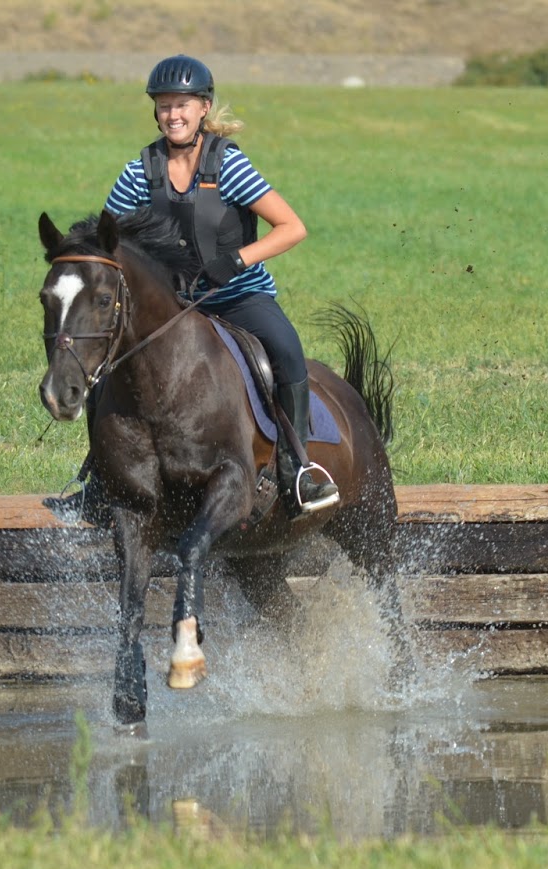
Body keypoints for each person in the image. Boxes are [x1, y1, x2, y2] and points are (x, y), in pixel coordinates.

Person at [59, 53, 339, 524]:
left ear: (204, 108)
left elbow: (292, 227)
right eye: (165, 106)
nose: (174, 115)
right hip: (170, 308)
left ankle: (297, 469)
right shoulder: (138, 174)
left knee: (288, 350)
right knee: (107, 367)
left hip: (238, 296)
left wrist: (237, 260)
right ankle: (99, 482)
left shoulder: (229, 166)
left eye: (183, 105)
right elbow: (106, 242)